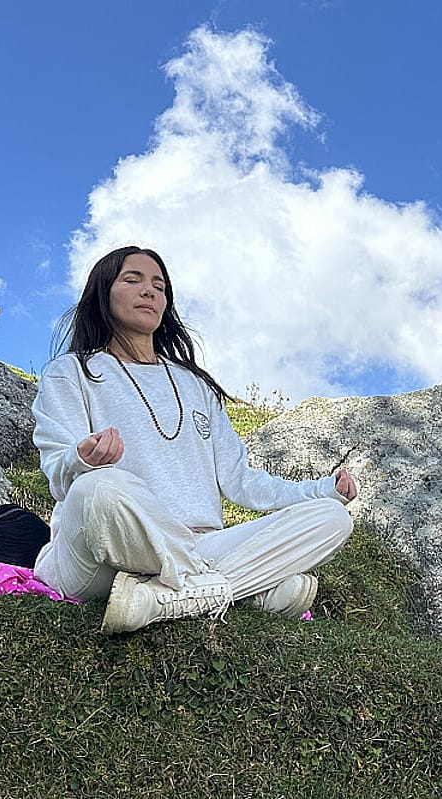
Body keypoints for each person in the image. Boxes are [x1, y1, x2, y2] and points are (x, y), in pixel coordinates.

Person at [31, 245, 356, 634]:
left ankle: (165, 598)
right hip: (100, 556)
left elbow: (242, 481)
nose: (149, 291)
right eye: (132, 280)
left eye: (159, 285)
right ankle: (245, 589)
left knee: (331, 518)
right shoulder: (71, 372)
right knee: (98, 487)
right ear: (103, 292)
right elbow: (59, 476)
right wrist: (82, 459)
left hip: (197, 546)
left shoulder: (195, 385)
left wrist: (323, 491)